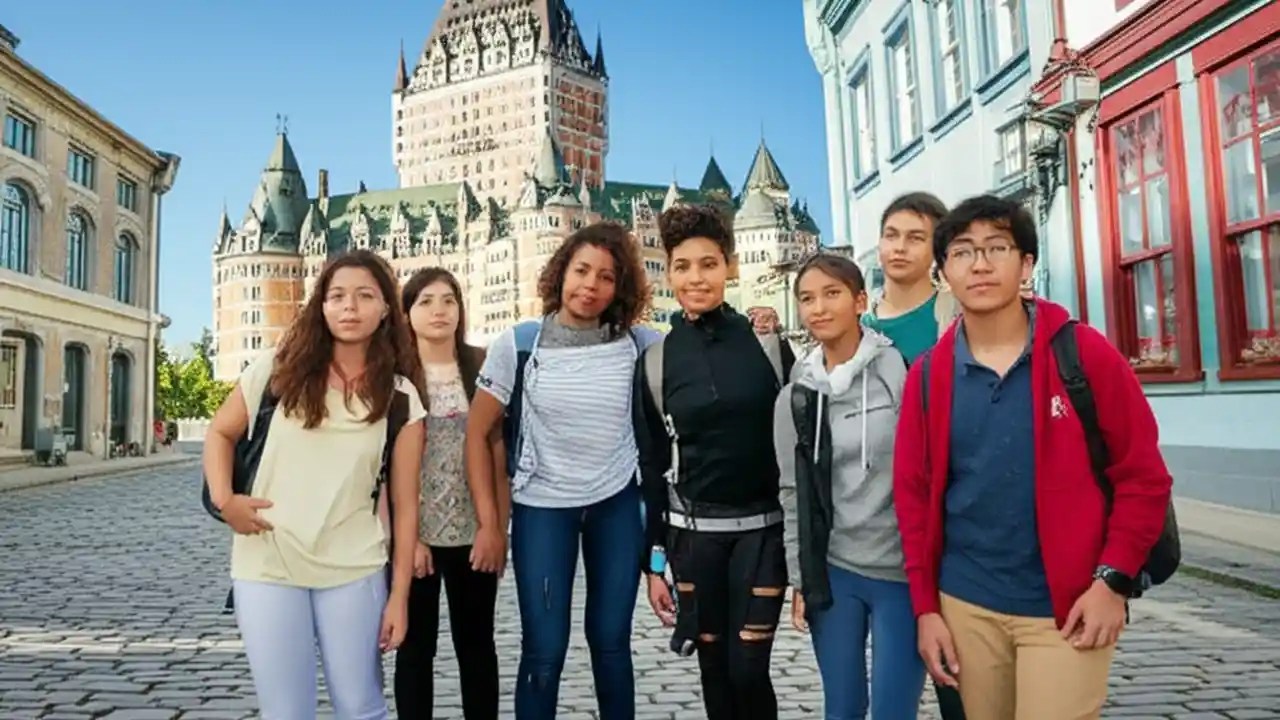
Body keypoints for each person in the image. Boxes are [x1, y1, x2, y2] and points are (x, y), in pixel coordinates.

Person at [893, 195, 1173, 719]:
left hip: (1068, 606)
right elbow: (913, 498)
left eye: (997, 248)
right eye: (962, 252)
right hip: (967, 605)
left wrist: (1113, 583)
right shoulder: (928, 377)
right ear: (944, 272)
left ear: (1026, 264)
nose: (980, 264)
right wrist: (926, 609)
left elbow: (1143, 477)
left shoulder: (1082, 354)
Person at [203, 250, 427, 719]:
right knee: (286, 713)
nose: (350, 307)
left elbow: (406, 506)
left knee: (361, 708)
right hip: (267, 564)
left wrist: (399, 596)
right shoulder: (275, 370)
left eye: (365, 296)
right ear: (320, 306)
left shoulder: (401, 397)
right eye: (337, 296)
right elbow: (220, 433)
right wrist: (226, 500)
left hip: (355, 568)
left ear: (386, 308)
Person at [464, 221, 657, 720]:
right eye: (581, 271)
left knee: (611, 642)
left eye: (606, 277)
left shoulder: (640, 345)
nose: (590, 286)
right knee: (544, 648)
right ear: (561, 273)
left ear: (620, 287)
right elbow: (478, 433)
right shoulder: (520, 344)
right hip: (542, 507)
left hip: (616, 503)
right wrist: (490, 523)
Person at [638, 204, 794, 720]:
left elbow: (801, 447)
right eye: (682, 266)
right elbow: (652, 466)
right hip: (693, 539)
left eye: (708, 264)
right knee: (715, 671)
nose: (696, 278)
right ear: (668, 272)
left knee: (748, 669)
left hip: (762, 534)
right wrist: (653, 565)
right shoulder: (657, 361)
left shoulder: (767, 345)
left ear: (730, 266)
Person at [774, 254, 924, 719]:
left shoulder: (898, 373)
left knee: (894, 710)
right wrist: (801, 577)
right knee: (842, 708)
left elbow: (928, 470)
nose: (819, 308)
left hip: (900, 571)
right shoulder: (797, 394)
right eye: (807, 298)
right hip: (835, 570)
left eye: (832, 294)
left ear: (860, 301)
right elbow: (792, 493)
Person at [394, 268, 502, 719]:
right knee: (416, 648)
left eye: (448, 300)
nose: (439, 310)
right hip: (414, 536)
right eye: (426, 301)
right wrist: (408, 540)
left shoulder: (481, 367)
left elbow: (497, 453)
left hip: (473, 532)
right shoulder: (395, 374)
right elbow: (385, 464)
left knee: (476, 645)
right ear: (406, 313)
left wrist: (495, 529)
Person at [863, 192, 958, 364]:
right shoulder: (858, 323)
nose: (900, 248)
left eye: (915, 238)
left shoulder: (957, 315)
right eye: (891, 236)